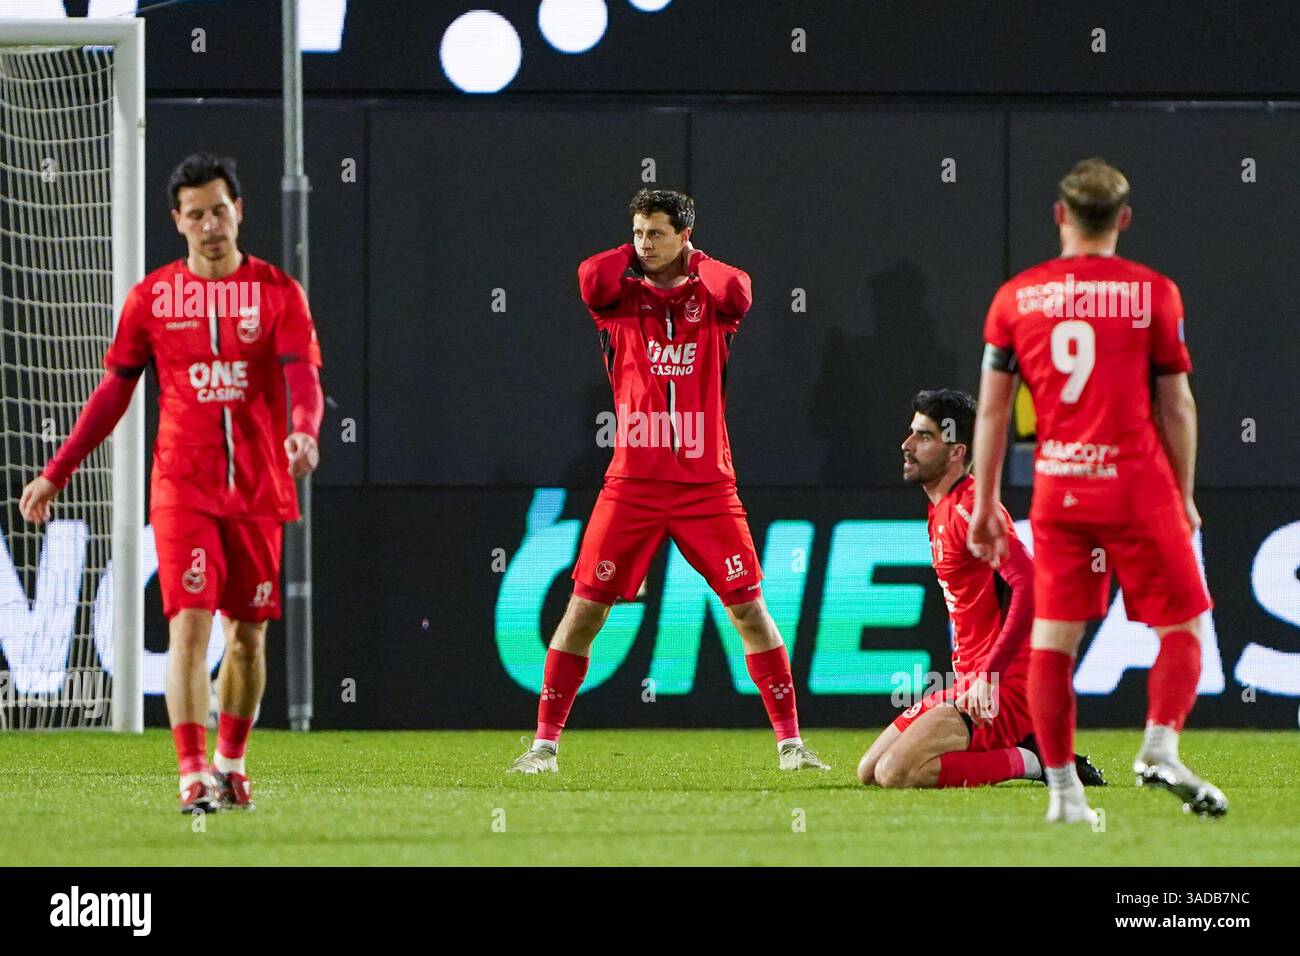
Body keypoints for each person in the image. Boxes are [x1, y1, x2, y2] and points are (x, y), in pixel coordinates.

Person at [20, 153, 324, 814]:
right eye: (196, 215)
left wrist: (303, 429)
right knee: (189, 625)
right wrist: (55, 472)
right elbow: (112, 394)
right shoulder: (152, 299)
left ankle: (232, 764)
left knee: (247, 638)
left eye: (219, 210)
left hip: (259, 490)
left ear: (238, 211)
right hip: (182, 488)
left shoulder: (278, 294)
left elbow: (303, 374)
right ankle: (192, 773)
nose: (210, 224)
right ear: (177, 222)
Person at [508, 188, 827, 773]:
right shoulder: (618, 300)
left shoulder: (714, 298)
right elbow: (589, 276)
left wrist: (695, 263)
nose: (643, 245)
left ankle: (790, 745)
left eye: (656, 233)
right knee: (584, 610)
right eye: (637, 233)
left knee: (749, 610)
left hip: (708, 486)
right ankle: (544, 747)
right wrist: (636, 255)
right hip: (631, 482)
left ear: (685, 236)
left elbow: (741, 288)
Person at [968, 158, 1226, 823]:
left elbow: (994, 413)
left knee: (1055, 644)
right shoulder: (1154, 294)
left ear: (1059, 216)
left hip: (1061, 489)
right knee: (1185, 624)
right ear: (1124, 220)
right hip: (1137, 486)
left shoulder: (1015, 298)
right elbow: (1179, 406)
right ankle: (1160, 745)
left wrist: (983, 502)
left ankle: (1063, 795)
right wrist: (1186, 492)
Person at [856, 389, 1104, 791]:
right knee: (868, 770)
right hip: (968, 681)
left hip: (1006, 685)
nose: (907, 445)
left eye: (924, 436)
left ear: (956, 451)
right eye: (911, 433)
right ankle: (1024, 748)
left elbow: (1032, 584)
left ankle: (1033, 760)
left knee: (895, 774)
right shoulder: (941, 506)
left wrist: (988, 675)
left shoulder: (971, 507)